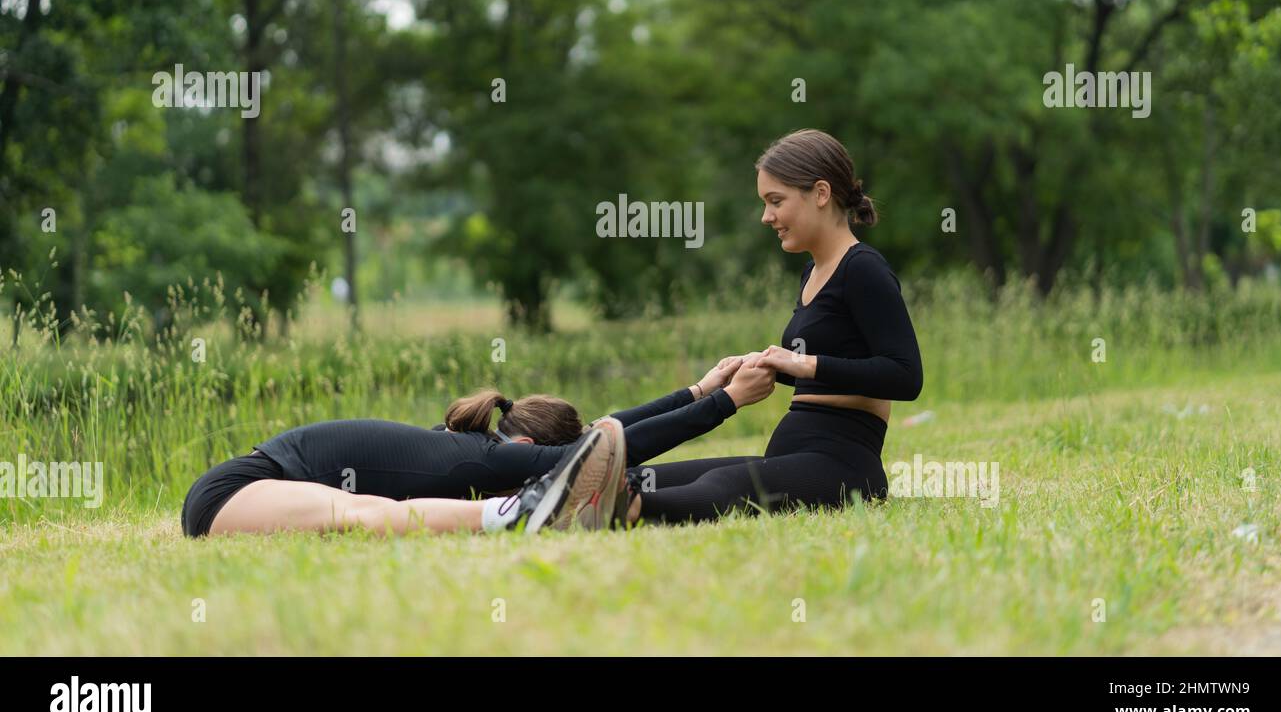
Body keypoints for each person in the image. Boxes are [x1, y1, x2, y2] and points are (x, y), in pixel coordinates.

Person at [620, 128, 924, 524]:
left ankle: (623, 512)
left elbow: (905, 376)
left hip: (843, 467)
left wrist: (805, 364)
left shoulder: (863, 268)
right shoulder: (813, 272)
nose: (767, 217)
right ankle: (574, 497)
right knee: (641, 478)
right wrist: (769, 365)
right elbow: (833, 367)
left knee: (723, 486)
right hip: (790, 458)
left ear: (820, 193)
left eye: (775, 201)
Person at [180, 356, 774, 538]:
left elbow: (605, 432)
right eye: (534, 465)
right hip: (230, 497)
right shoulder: (475, 457)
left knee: (370, 513)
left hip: (252, 489)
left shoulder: (469, 447)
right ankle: (518, 515)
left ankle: (525, 509)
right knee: (367, 516)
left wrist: (699, 390)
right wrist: (724, 405)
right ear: (522, 445)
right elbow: (602, 448)